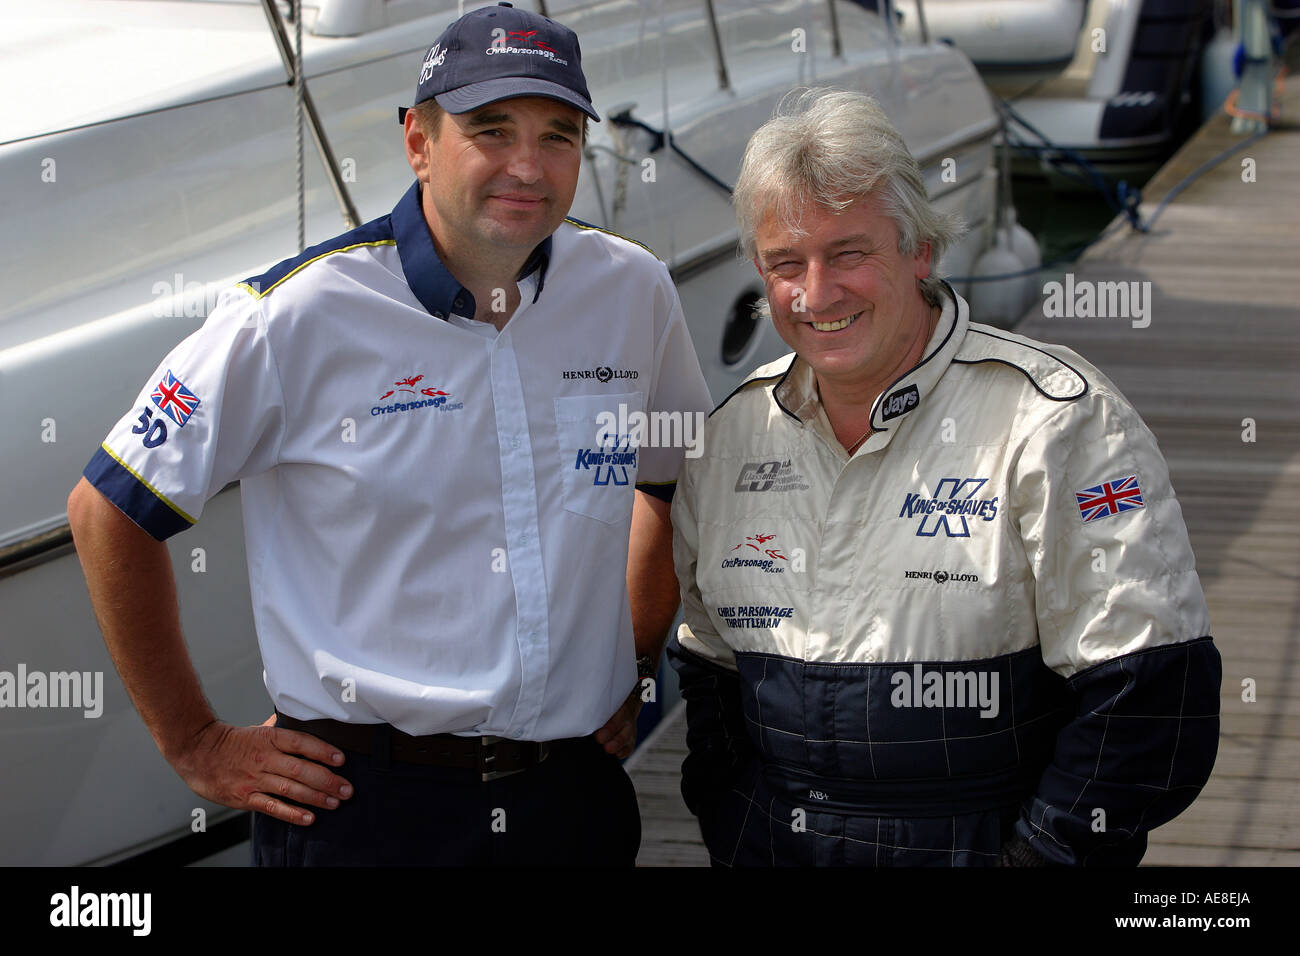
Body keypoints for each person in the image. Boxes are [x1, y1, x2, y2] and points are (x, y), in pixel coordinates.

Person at [68, 1, 711, 866]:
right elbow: (107, 509)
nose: (528, 165)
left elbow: (669, 480)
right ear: (418, 140)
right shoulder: (293, 315)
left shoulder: (633, 291)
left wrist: (633, 657)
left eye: (558, 135)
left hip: (571, 797)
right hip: (363, 810)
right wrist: (194, 742)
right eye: (492, 129)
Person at [667, 89, 1221, 866]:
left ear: (919, 249)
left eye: (849, 253)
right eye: (787, 263)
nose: (816, 293)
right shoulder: (730, 439)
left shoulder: (1058, 422)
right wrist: (733, 818)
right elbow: (709, 664)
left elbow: (1152, 704)